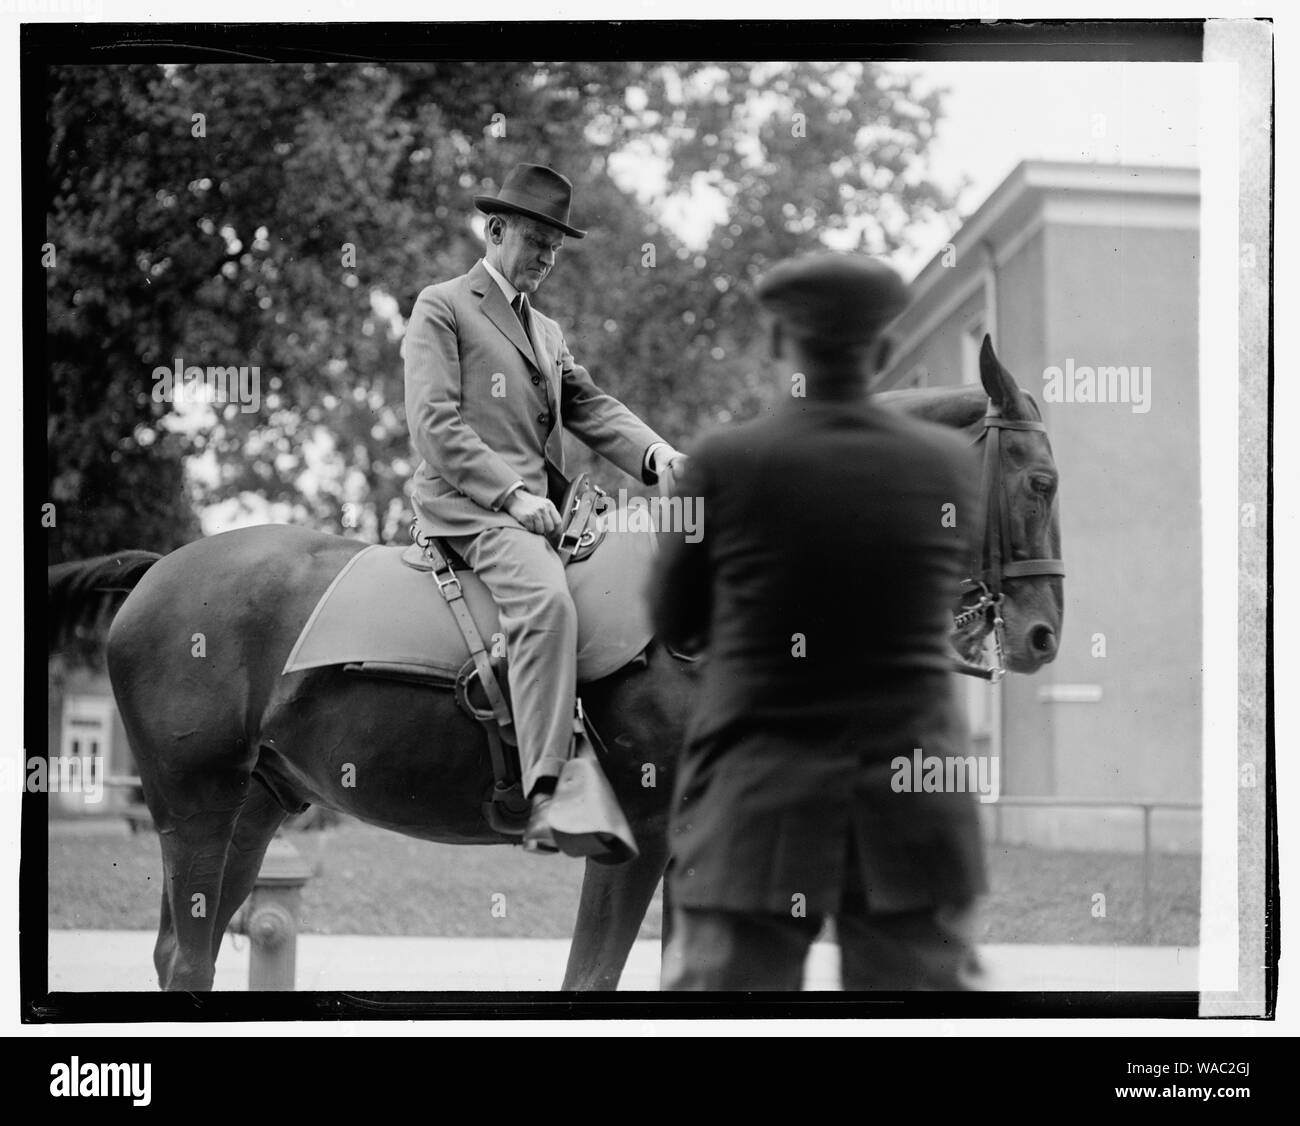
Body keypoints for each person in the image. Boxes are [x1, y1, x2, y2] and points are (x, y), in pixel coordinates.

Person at [649, 253, 988, 990]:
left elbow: (675, 619)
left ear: (777, 346)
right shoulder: (951, 467)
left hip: (752, 813)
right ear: (887, 352)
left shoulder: (720, 462)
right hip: (915, 812)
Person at [403, 163, 684, 853]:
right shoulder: (443, 305)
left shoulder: (548, 332)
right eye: (537, 240)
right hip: (471, 506)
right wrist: (512, 494)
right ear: (495, 230)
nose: (548, 258)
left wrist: (659, 457)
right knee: (546, 601)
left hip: (544, 511)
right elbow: (434, 424)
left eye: (556, 248)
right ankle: (550, 795)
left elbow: (589, 406)